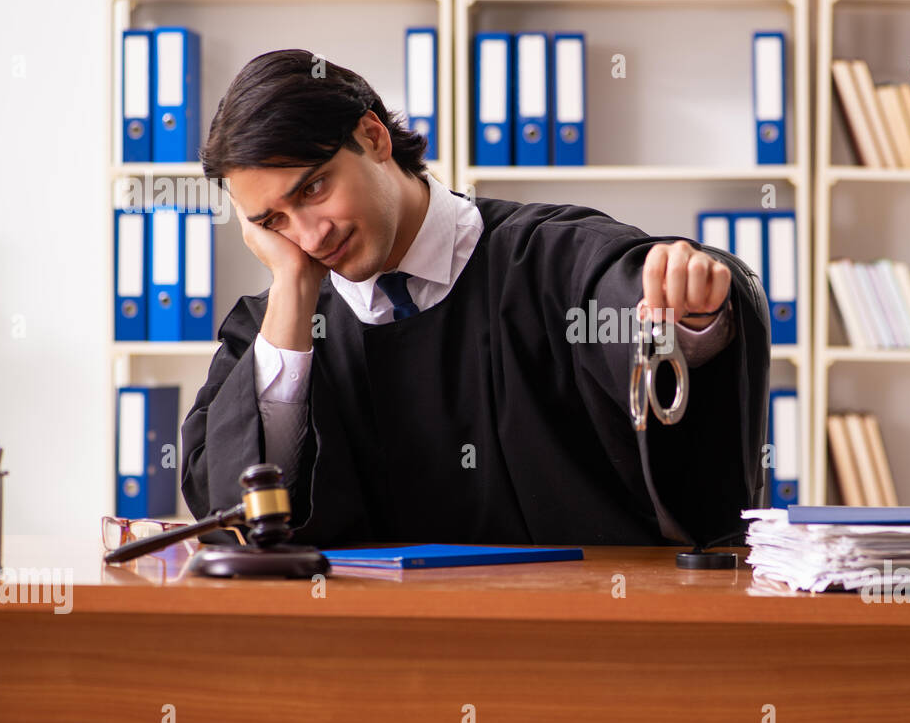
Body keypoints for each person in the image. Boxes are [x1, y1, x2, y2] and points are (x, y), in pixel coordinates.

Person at [181, 49, 768, 547]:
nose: (309, 236)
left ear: (373, 136)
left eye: (313, 188)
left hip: (577, 649)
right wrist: (291, 288)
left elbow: (635, 308)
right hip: (372, 666)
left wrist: (688, 309)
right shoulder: (279, 329)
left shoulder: (553, 263)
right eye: (273, 221)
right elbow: (237, 521)